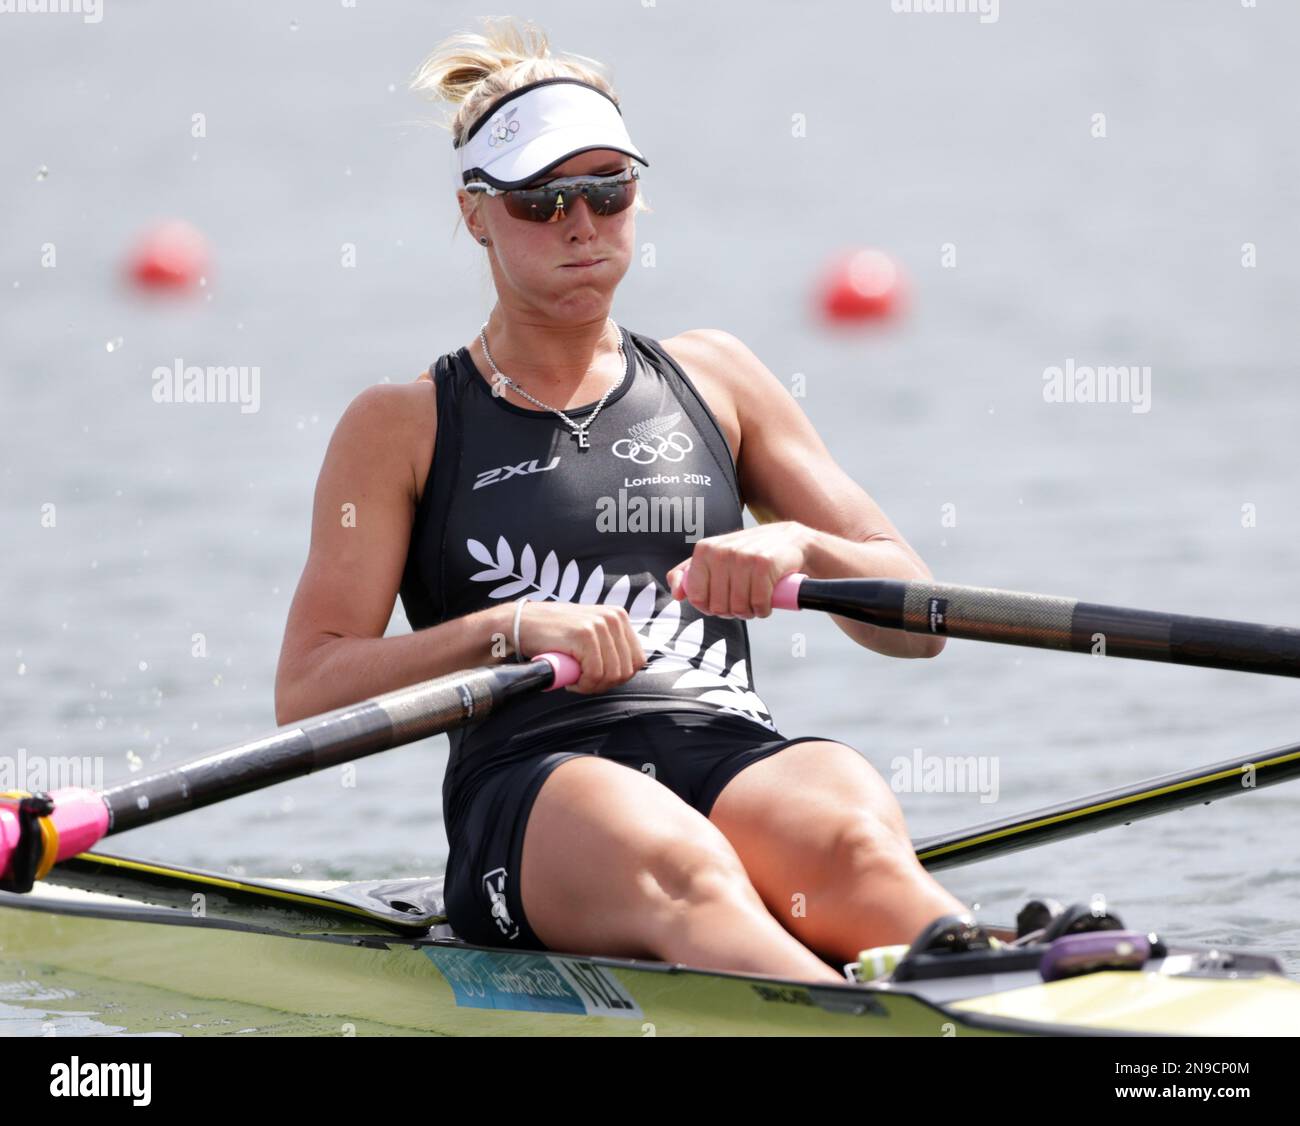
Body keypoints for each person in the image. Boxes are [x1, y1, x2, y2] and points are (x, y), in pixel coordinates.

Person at [275, 18, 969, 984]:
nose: (581, 223)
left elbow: (918, 621)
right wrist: (509, 628)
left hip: (728, 752)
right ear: (475, 214)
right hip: (535, 791)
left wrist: (803, 549)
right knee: (685, 870)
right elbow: (309, 688)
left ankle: (1023, 983)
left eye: (609, 190)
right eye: (542, 199)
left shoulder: (718, 378)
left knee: (856, 838)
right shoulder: (402, 424)